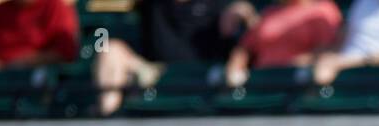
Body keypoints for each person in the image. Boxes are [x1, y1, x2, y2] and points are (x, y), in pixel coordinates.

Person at [93, 0, 259, 116]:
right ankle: (107, 122)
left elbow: (252, 24)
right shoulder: (153, 4)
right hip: (153, 73)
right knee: (110, 49)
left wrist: (241, 11)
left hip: (210, 75)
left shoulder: (218, 5)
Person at [224, 0, 342, 88]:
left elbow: (328, 49)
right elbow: (245, 48)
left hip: (298, 84)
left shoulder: (322, 10)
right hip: (263, 83)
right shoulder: (269, 12)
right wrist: (235, 68)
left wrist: (298, 62)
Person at [0, 0, 79, 79]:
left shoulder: (56, 7)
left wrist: (24, 63)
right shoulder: (1, 9)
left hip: (31, 80)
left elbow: (65, 52)